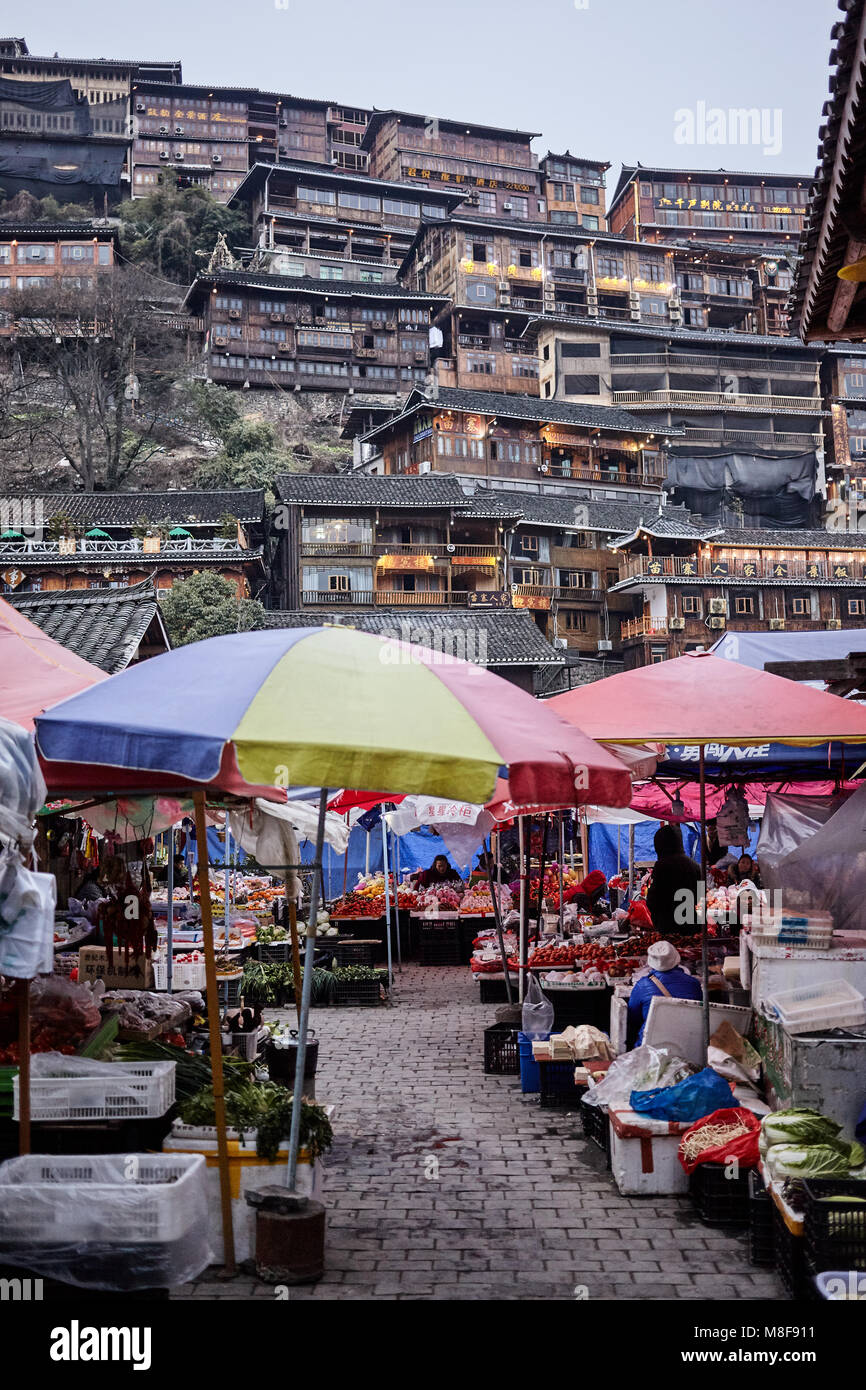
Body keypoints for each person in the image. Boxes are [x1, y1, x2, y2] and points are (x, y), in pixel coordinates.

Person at [626, 940, 703, 1048]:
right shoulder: (693, 983)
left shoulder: (642, 985)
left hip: (651, 1047)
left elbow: (633, 1019)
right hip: (688, 1044)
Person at [646, 823, 702, 935]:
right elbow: (699, 895)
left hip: (668, 925)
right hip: (691, 923)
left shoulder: (662, 866)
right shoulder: (694, 865)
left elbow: (653, 899)